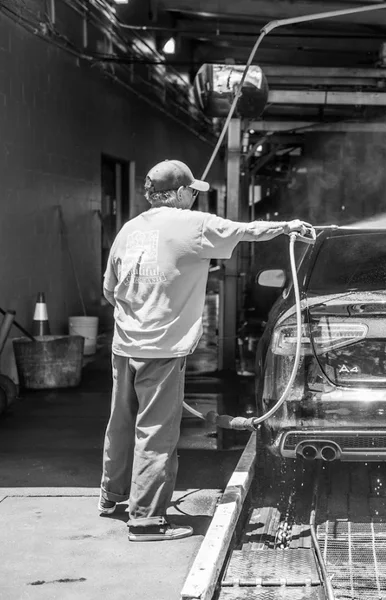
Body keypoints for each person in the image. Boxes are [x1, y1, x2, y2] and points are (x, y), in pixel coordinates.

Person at [98, 159, 311, 542]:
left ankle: (111, 497)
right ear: (178, 193)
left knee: (121, 423)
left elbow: (110, 291)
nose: (194, 197)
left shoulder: (129, 230)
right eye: (191, 191)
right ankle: (146, 521)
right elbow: (246, 231)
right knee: (157, 434)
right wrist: (288, 226)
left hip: (124, 346)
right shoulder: (193, 225)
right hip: (162, 350)